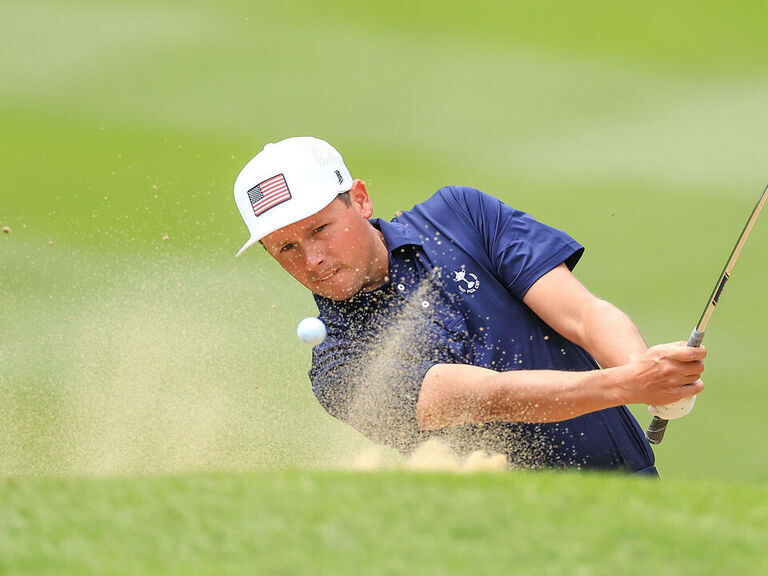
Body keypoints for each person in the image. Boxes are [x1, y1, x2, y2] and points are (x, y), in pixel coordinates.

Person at [233, 137, 705, 475]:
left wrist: (645, 368)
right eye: (285, 248)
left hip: (630, 486)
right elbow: (489, 396)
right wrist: (629, 384)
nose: (312, 260)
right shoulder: (339, 367)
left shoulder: (459, 216)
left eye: (319, 229)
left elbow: (581, 313)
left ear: (359, 199)